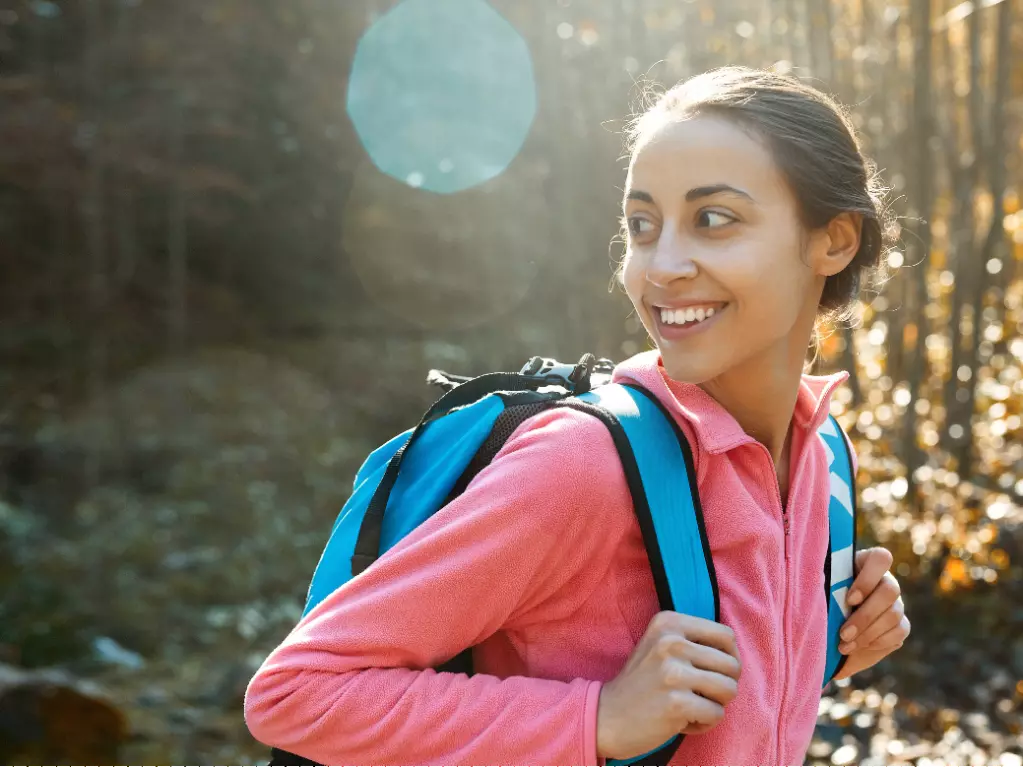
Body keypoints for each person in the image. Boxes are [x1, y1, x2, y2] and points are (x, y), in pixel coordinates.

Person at [244, 67, 911, 767]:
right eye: (641, 225)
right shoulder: (581, 465)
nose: (661, 265)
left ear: (832, 240)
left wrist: (835, 631)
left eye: (712, 219)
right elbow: (296, 694)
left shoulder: (823, 451)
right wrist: (596, 719)